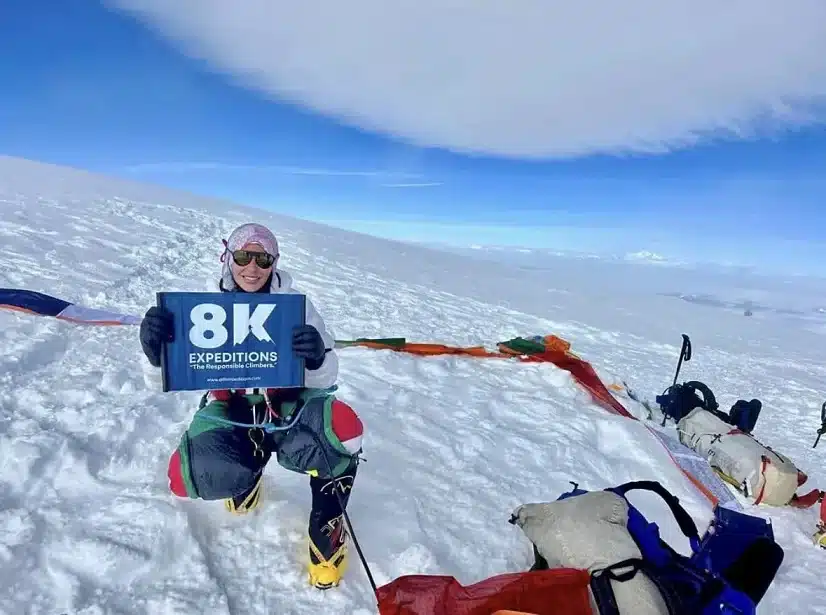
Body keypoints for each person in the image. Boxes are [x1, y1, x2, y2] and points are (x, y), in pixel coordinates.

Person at [138, 222, 364, 590]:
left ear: (274, 263)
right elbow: (161, 381)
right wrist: (153, 354)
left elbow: (326, 378)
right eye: (244, 256)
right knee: (188, 475)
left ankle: (327, 535)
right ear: (229, 258)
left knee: (342, 432)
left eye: (263, 259)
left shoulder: (297, 308)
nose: (253, 268)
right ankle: (244, 476)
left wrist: (317, 357)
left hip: (289, 407)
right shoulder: (201, 310)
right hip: (233, 411)